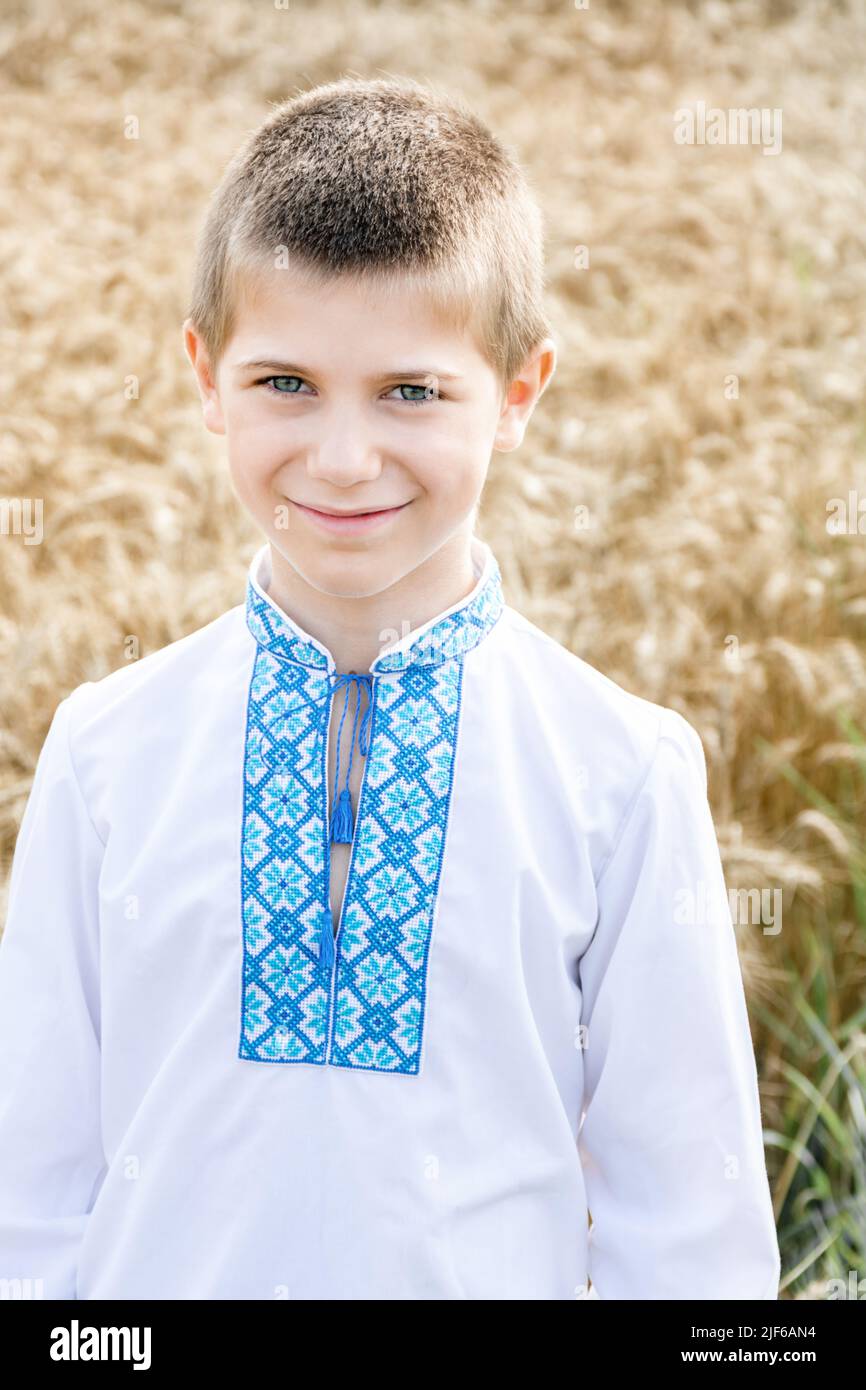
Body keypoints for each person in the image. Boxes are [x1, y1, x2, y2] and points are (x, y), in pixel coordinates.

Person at [0, 75, 781, 1300]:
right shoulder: (102, 752)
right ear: (204, 376)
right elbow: (26, 1201)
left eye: (409, 391)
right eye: (284, 383)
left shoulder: (621, 771)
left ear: (518, 391)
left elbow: (688, 1238)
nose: (344, 456)